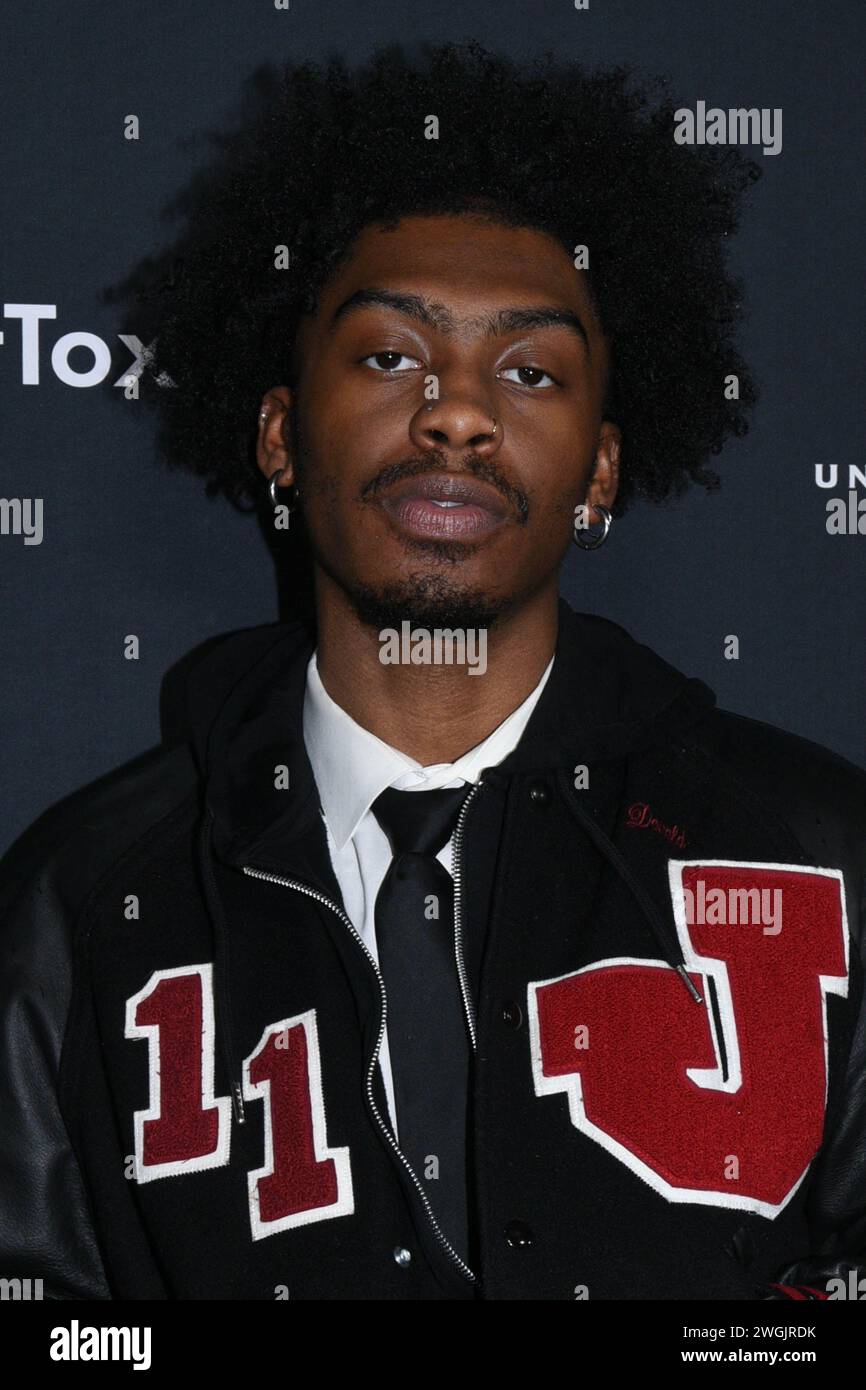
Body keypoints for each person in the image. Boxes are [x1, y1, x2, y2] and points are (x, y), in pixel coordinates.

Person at [1, 41, 864, 1302]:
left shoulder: (823, 853)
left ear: (603, 470)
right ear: (281, 437)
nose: (456, 414)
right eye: (390, 356)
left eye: (527, 371)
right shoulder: (77, 907)